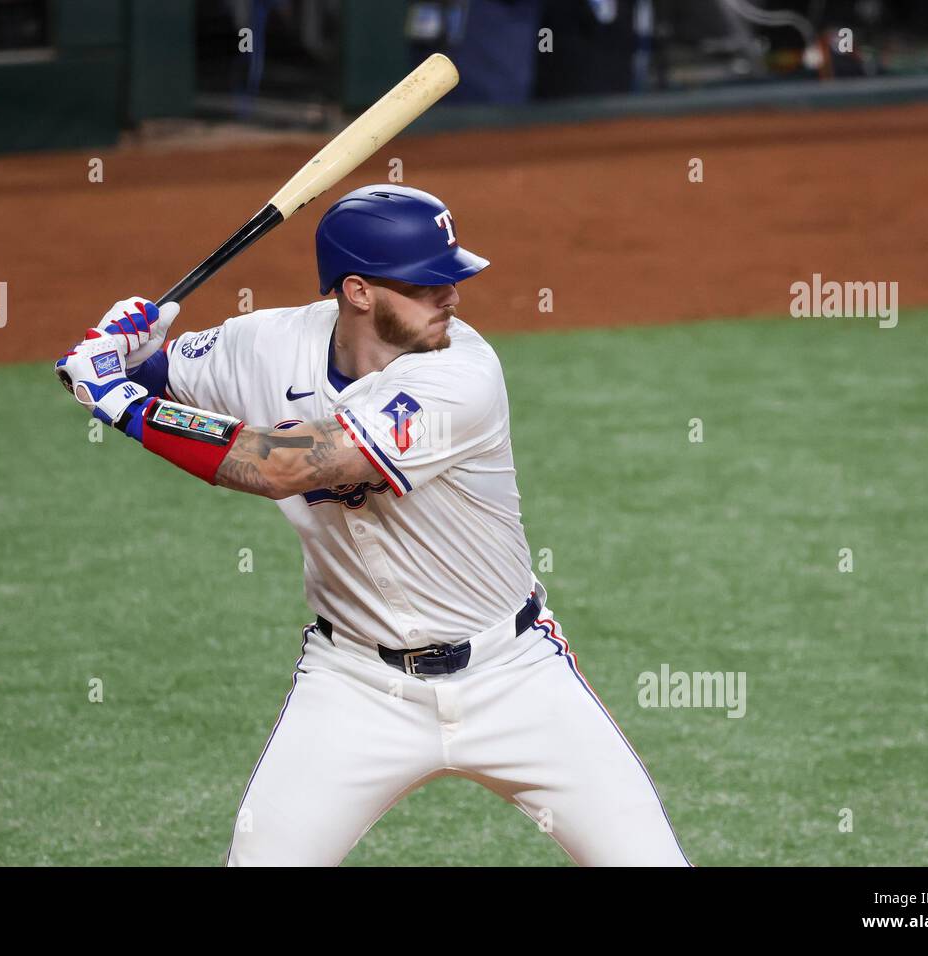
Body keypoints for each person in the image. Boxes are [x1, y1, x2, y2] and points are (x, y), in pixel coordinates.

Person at [55, 184, 690, 866]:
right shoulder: (261, 343)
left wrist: (118, 401)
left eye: (452, 276)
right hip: (355, 685)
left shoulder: (463, 377)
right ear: (357, 291)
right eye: (426, 283)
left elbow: (284, 466)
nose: (450, 294)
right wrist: (119, 356)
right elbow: (128, 384)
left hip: (514, 678)